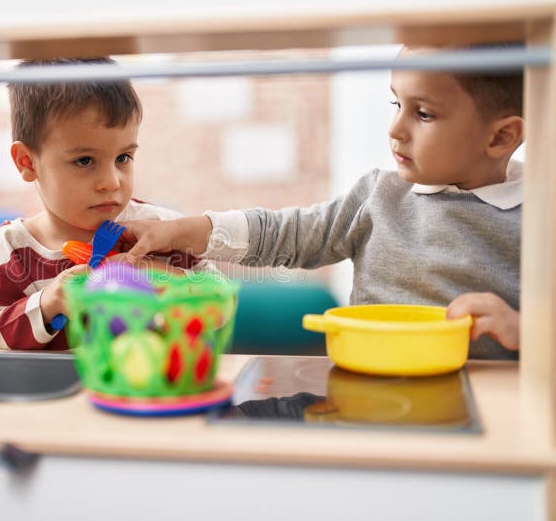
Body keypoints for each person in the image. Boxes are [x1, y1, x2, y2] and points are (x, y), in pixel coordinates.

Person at [120, 45, 524, 359]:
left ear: (500, 138)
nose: (396, 129)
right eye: (396, 104)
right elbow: (286, 233)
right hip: (364, 382)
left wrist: (527, 331)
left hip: (487, 400)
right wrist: (178, 231)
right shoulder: (378, 196)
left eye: (424, 114)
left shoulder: (539, 217)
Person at [0, 58, 205, 351]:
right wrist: (46, 304)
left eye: (123, 158)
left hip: (144, 395)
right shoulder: (7, 254)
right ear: (27, 162)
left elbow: (222, 299)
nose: (112, 182)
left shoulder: (158, 232)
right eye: (84, 161)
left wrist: (164, 275)